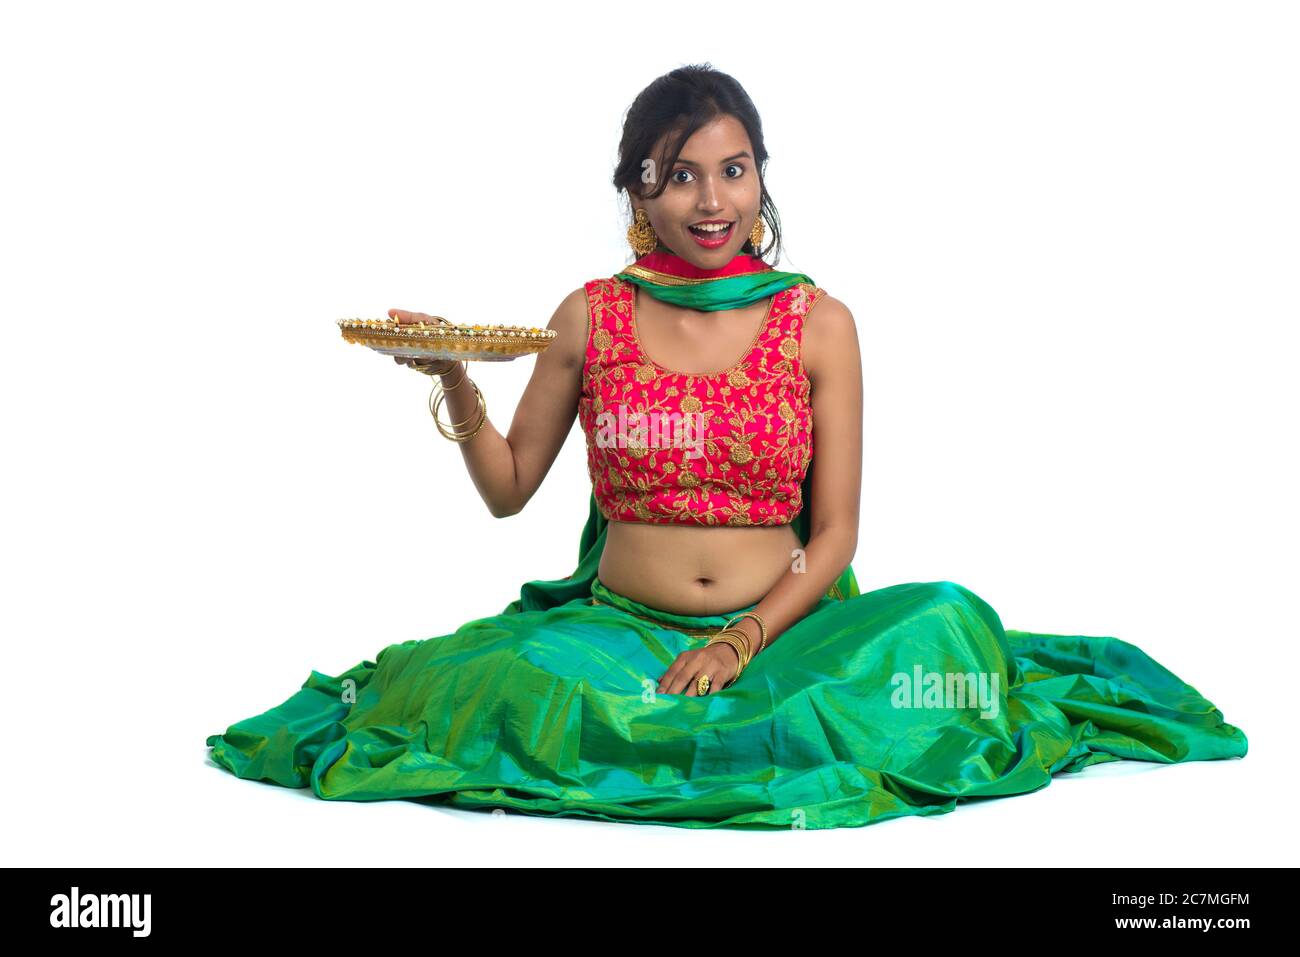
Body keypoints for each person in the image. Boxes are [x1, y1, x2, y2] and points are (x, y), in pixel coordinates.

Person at [205, 65, 1247, 830]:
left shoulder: (818, 322)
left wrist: (740, 641)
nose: (711, 202)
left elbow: (834, 535)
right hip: (616, 635)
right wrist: (453, 378)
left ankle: (734, 705)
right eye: (680, 176)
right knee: (499, 682)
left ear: (759, 179)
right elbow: (509, 489)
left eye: (733, 171)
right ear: (637, 193)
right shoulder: (589, 315)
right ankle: (697, 720)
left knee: (943, 626)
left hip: (780, 633)